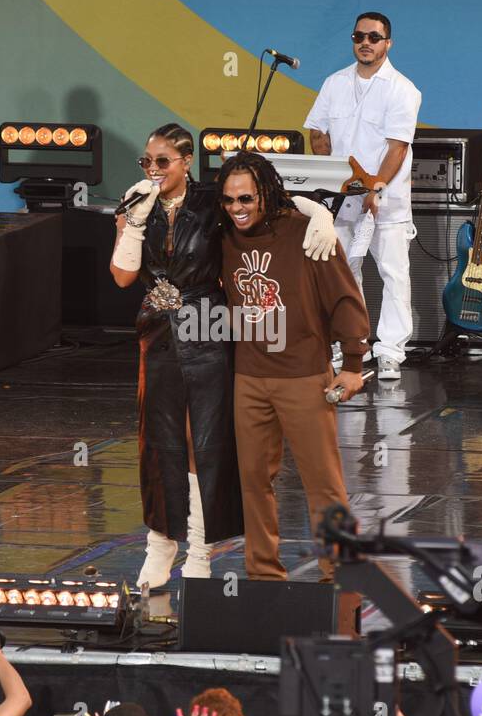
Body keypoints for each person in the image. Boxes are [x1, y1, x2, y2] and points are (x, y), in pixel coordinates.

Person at [110, 124, 337, 588]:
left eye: (162, 162)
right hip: (158, 332)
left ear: (186, 160)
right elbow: (122, 277)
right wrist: (133, 222)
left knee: (206, 442)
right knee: (159, 440)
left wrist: (321, 216)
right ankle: (160, 545)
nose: (153, 171)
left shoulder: (213, 200)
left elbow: (276, 196)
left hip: (209, 331)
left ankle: (200, 548)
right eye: (146, 162)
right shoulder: (138, 205)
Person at [217, 151, 370, 580]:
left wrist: (353, 364)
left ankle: (339, 574)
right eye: (229, 201)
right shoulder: (223, 235)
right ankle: (263, 576)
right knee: (252, 484)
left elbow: (344, 297)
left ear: (266, 193)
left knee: (323, 484)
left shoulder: (308, 233)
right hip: (248, 378)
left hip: (304, 376)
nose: (237, 209)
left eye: (246, 199)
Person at [305, 11, 422, 379]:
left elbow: (397, 148)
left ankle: (390, 351)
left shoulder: (402, 88)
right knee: (342, 272)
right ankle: (353, 343)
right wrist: (326, 171)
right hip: (341, 201)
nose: (365, 43)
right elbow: (317, 132)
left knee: (392, 274)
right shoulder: (334, 83)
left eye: (374, 37)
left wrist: (377, 185)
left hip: (384, 200)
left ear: (388, 43)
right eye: (359, 37)